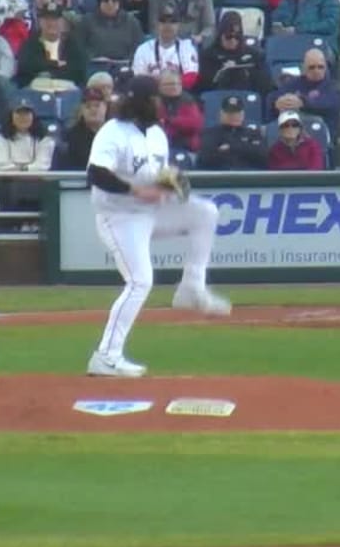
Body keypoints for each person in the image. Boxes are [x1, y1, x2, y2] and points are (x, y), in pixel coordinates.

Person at [84, 74, 231, 378]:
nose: (160, 104)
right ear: (141, 101)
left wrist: (169, 182)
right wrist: (138, 191)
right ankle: (106, 356)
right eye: (155, 99)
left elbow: (156, 174)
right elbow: (96, 174)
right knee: (140, 281)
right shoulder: (114, 132)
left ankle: (192, 287)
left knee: (205, 212)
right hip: (119, 217)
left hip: (150, 212)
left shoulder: (156, 134)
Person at [197, 12, 271, 95]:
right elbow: (202, 87)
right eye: (228, 37)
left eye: (237, 37)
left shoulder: (254, 55)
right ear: (221, 35)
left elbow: (266, 85)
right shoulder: (208, 56)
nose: (233, 40)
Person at [16, 4, 87, 88]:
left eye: (55, 19)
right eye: (47, 19)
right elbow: (26, 67)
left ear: (62, 22)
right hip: (38, 87)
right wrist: (57, 64)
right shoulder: (31, 43)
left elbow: (78, 68)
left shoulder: (71, 42)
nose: (51, 23)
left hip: (66, 86)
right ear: (40, 22)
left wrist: (52, 73)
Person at [131, 6, 201, 86]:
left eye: (173, 21)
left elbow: (191, 78)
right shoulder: (143, 49)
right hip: (152, 93)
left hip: (180, 92)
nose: (168, 25)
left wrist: (163, 82)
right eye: (163, 21)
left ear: (179, 25)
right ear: (157, 24)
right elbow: (139, 79)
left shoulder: (187, 47)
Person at [198, 94, 266, 170]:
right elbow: (205, 158)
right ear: (221, 113)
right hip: (219, 177)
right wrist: (244, 147)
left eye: (237, 113)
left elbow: (262, 156)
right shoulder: (210, 133)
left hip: (248, 177)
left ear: (243, 114)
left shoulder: (253, 134)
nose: (234, 116)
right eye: (230, 113)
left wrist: (230, 147)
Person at [58, 87, 111, 169]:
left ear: (105, 107)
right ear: (82, 110)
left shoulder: (115, 134)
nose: (93, 110)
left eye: (97, 105)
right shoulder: (70, 137)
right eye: (88, 106)